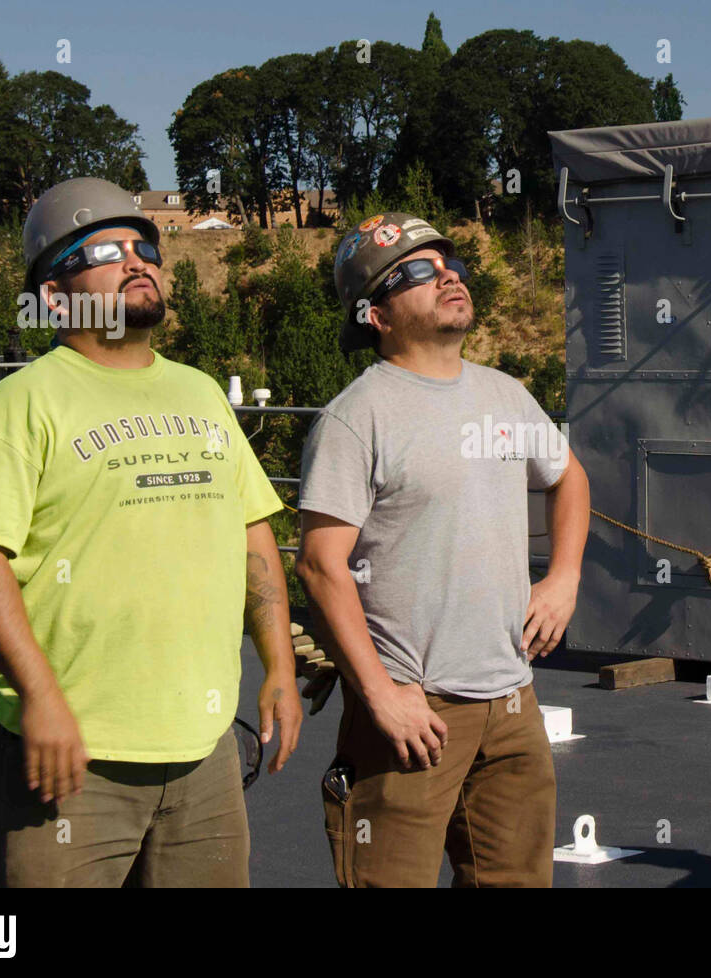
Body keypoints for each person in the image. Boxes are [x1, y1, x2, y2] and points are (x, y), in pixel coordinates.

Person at [0, 177, 300, 887]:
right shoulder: (24, 402)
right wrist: (41, 698)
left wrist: (280, 668)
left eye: (144, 245)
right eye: (105, 250)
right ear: (55, 296)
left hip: (203, 754)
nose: (137, 259)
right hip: (67, 753)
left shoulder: (202, 392)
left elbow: (253, 536)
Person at [297, 212, 590, 887]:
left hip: (512, 701)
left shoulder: (505, 395)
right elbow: (319, 565)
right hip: (411, 708)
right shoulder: (357, 417)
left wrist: (565, 577)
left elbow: (568, 476)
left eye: (449, 264)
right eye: (418, 272)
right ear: (376, 314)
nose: (447, 276)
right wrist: (379, 694)